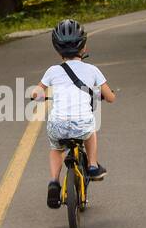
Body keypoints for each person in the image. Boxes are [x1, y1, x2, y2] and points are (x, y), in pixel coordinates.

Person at [32, 19, 116, 209]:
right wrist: (108, 96)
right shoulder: (93, 69)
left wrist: (39, 97)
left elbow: (36, 93)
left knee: (56, 148)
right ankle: (93, 166)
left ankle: (54, 181)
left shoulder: (52, 71)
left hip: (58, 124)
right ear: (84, 47)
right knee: (91, 131)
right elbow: (110, 97)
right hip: (82, 124)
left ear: (57, 49)